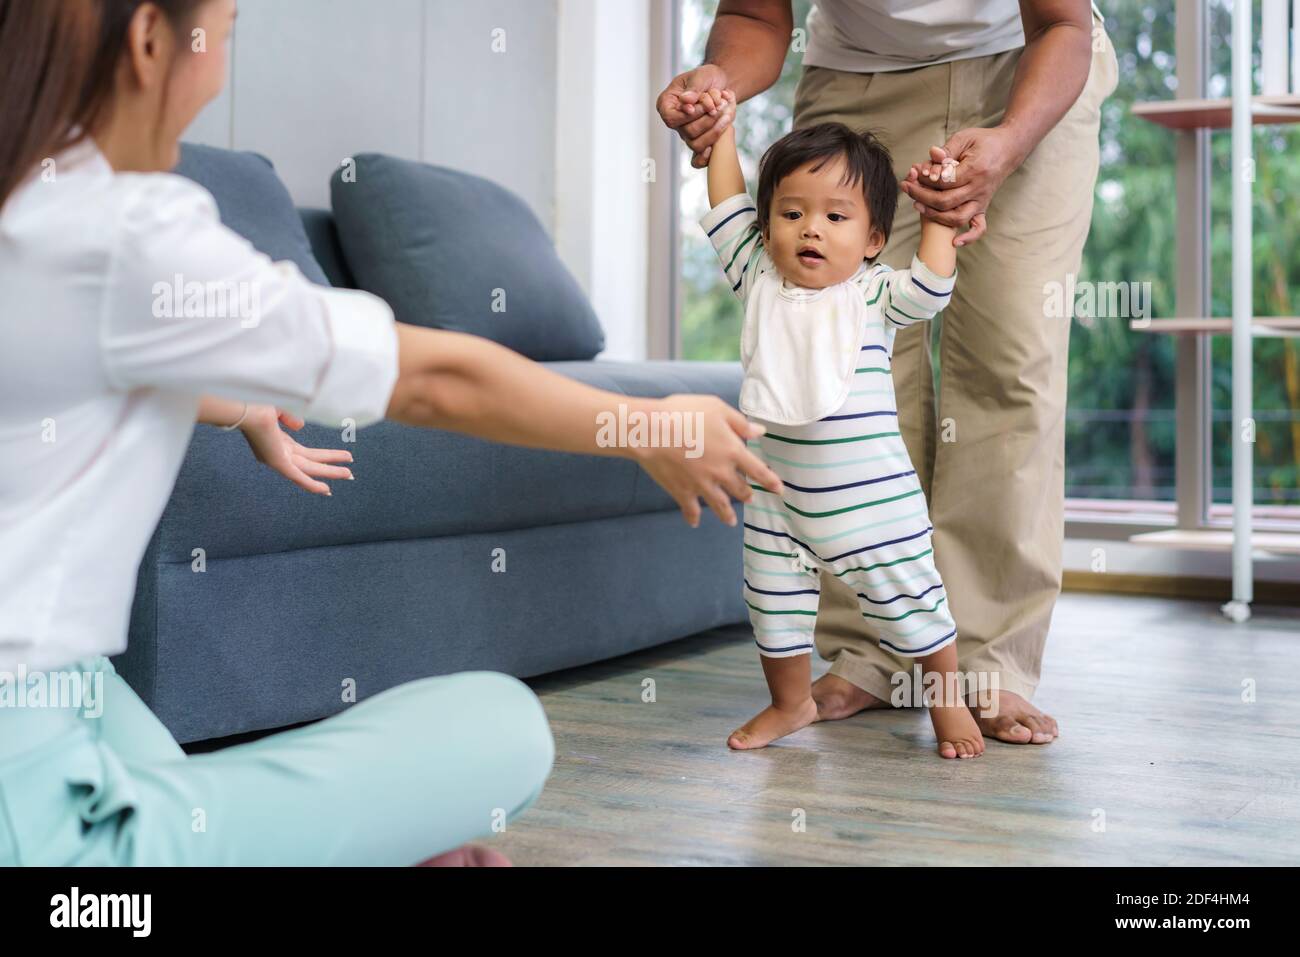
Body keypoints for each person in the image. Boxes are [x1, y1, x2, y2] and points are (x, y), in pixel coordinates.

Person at [0, 0, 782, 866]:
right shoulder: (124, 227)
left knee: (126, 734)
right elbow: (432, 380)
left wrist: (244, 403)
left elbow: (76, 364)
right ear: (152, 39)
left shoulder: (38, 203)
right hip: (39, 798)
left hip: (65, 698)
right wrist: (646, 423)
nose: (220, 58)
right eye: (225, 32)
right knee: (503, 727)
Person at [658, 0, 1118, 744]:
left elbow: (1061, 24)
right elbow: (754, 13)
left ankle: (984, 666)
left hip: (1029, 63)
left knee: (1009, 359)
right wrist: (717, 91)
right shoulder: (761, 266)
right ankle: (871, 654)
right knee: (877, 382)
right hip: (858, 73)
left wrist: (1006, 144)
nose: (809, 233)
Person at [701, 103, 983, 758]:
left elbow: (934, 287)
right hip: (777, 503)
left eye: (836, 216)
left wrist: (943, 216)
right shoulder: (758, 278)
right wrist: (720, 132)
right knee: (772, 609)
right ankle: (789, 701)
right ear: (767, 227)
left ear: (874, 237)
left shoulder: (873, 293)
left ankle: (947, 702)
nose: (811, 230)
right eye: (792, 212)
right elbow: (725, 206)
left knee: (915, 608)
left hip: (874, 509)